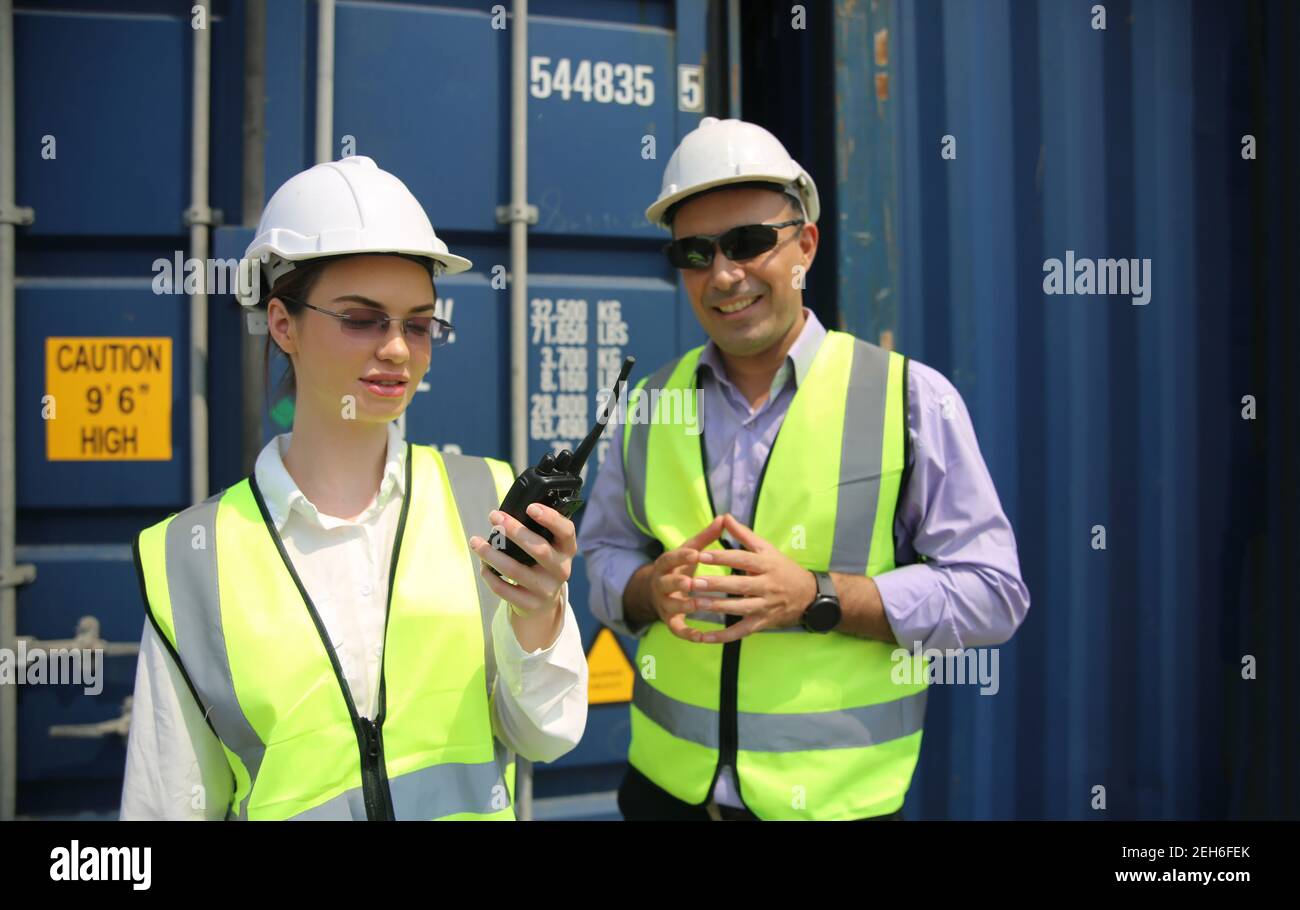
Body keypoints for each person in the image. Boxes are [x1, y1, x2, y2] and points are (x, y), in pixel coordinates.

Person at [578, 118, 1030, 821]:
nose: (724, 274)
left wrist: (818, 596)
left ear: (805, 246)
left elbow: (993, 593)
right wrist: (645, 588)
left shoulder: (908, 399)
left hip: (833, 808)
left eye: (749, 243)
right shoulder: (645, 405)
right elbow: (603, 553)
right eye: (695, 253)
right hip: (662, 796)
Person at [121, 156, 587, 820]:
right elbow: (163, 808)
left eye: (418, 323)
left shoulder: (485, 498)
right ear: (283, 325)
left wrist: (540, 620)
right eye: (362, 318)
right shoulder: (192, 560)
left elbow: (547, 735)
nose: (397, 348)